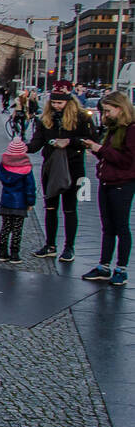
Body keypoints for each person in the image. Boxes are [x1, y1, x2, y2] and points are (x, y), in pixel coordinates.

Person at [27, 81, 94, 262]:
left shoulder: (81, 118)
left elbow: (91, 139)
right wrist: (22, 148)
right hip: (51, 166)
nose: (56, 106)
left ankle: (69, 247)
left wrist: (70, 142)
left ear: (68, 101)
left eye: (60, 103)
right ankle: (50, 244)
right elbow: (36, 142)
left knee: (70, 208)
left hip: (73, 167)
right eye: (54, 103)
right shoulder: (46, 119)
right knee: (50, 207)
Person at [81, 92, 135, 285]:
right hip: (107, 181)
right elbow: (109, 157)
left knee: (121, 226)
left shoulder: (130, 130)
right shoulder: (114, 128)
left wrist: (100, 149)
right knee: (108, 227)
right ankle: (104, 266)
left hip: (122, 184)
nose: (106, 114)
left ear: (120, 109)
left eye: (108, 110)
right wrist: (97, 151)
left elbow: (127, 161)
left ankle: (121, 268)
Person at [0, 138, 36, 264]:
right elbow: (30, 187)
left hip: (6, 201)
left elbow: (2, 178)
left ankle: (2, 252)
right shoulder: (26, 168)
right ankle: (14, 253)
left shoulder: (3, 165)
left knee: (5, 227)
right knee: (17, 229)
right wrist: (30, 202)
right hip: (20, 203)